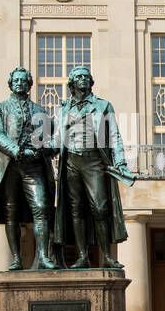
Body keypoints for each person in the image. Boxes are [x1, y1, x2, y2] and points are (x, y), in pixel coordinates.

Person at [51, 65, 134, 269]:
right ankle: (82, 256)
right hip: (70, 161)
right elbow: (55, 140)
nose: (83, 79)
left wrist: (120, 161)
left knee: (100, 207)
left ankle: (106, 255)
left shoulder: (103, 105)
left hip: (93, 160)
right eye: (78, 77)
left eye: (86, 76)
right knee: (76, 209)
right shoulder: (63, 110)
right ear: (71, 83)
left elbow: (114, 135)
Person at [0, 67, 58, 270]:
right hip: (9, 165)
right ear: (11, 84)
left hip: (34, 166)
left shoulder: (40, 111)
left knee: (41, 207)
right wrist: (17, 150)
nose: (20, 83)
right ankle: (17, 258)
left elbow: (49, 139)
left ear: (29, 84)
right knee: (11, 211)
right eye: (16, 80)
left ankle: (44, 256)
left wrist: (43, 149)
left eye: (23, 80)